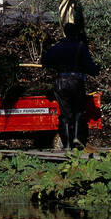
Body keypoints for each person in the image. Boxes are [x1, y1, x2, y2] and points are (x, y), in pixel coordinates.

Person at [40, 18, 100, 149]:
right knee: (78, 111)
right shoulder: (80, 47)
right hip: (76, 82)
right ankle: (77, 140)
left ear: (65, 33)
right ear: (76, 33)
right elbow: (91, 68)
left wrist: (56, 65)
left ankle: (66, 145)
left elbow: (44, 61)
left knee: (65, 114)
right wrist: (96, 69)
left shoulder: (56, 47)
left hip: (61, 82)